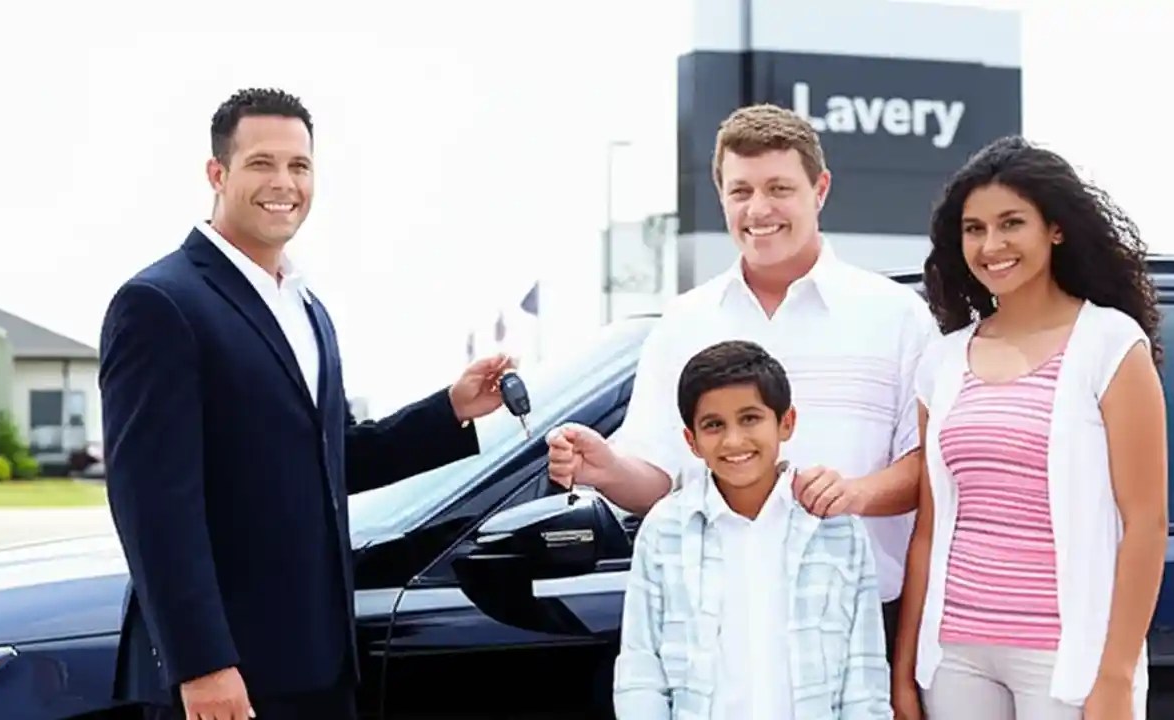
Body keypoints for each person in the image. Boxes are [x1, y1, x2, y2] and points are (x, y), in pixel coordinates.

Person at [99, 88, 512, 720]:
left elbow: (330, 458)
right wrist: (203, 664)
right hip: (226, 677)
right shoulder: (161, 304)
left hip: (318, 664)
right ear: (218, 173)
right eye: (262, 163)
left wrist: (450, 409)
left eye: (300, 166)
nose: (284, 183)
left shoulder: (306, 306)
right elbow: (153, 507)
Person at [547, 103, 938, 657]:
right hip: (716, 628)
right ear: (721, 195)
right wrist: (606, 470)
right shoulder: (684, 322)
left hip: (861, 622)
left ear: (820, 189)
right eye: (740, 191)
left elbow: (931, 465)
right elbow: (657, 477)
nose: (759, 209)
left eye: (779, 188)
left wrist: (856, 494)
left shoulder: (896, 316)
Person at [891, 136, 1168, 720]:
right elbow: (929, 528)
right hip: (957, 657)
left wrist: (1116, 676)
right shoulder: (941, 362)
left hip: (1065, 660)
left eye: (1011, 223)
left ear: (1056, 229)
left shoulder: (1110, 345)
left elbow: (1146, 522)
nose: (991, 245)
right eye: (974, 229)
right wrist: (906, 670)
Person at [613, 339, 892, 719]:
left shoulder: (834, 526)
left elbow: (864, 673)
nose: (734, 440)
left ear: (786, 422)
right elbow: (641, 667)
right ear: (691, 441)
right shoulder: (665, 531)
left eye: (750, 418)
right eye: (714, 425)